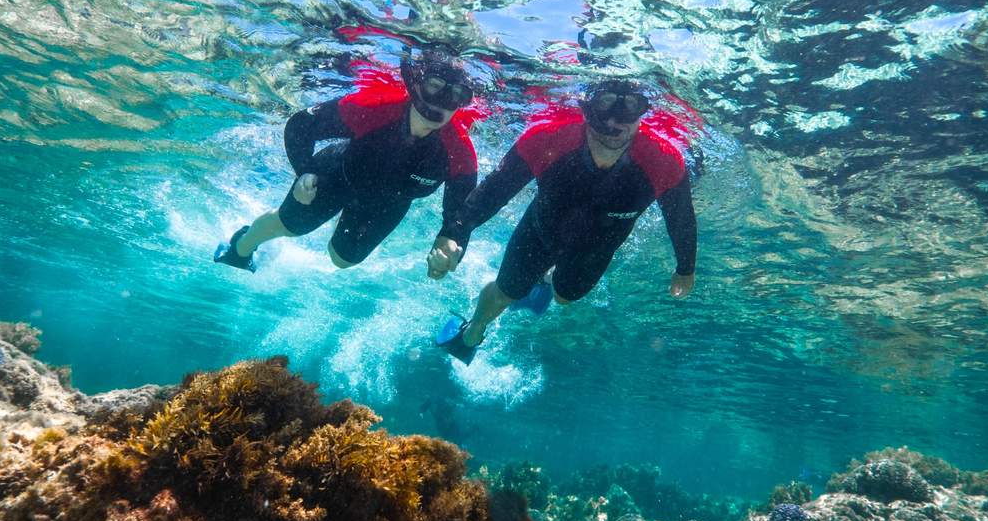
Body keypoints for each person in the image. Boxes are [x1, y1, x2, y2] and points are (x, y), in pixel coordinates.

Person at [427, 79, 699, 362]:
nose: (615, 126)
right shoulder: (549, 139)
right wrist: (453, 233)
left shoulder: (664, 161)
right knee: (505, 292)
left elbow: (681, 219)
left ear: (641, 114)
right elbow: (494, 192)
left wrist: (685, 267)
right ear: (586, 111)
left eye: (630, 108)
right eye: (605, 108)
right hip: (540, 232)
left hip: (596, 250)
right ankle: (473, 330)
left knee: (565, 298)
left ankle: (546, 279)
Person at [213, 50, 481, 272]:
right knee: (290, 226)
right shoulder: (374, 109)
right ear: (415, 84)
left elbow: (460, 215)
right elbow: (301, 125)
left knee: (342, 259)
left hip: (389, 202)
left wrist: (449, 245)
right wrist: (303, 172)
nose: (442, 102)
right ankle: (240, 248)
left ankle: (336, 219)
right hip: (338, 173)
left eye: (456, 95)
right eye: (434, 86)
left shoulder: (460, 152)